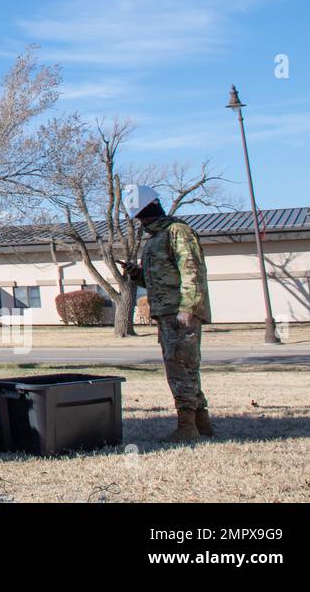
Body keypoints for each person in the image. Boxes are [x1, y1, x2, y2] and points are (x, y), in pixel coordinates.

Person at [123, 184, 213, 443]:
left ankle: (187, 427)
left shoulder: (178, 232)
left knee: (179, 367)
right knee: (186, 368)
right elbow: (158, 281)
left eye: (142, 215)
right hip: (166, 312)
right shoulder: (155, 239)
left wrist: (188, 308)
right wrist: (137, 273)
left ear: (152, 208)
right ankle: (201, 422)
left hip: (179, 312)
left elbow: (192, 272)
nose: (142, 221)